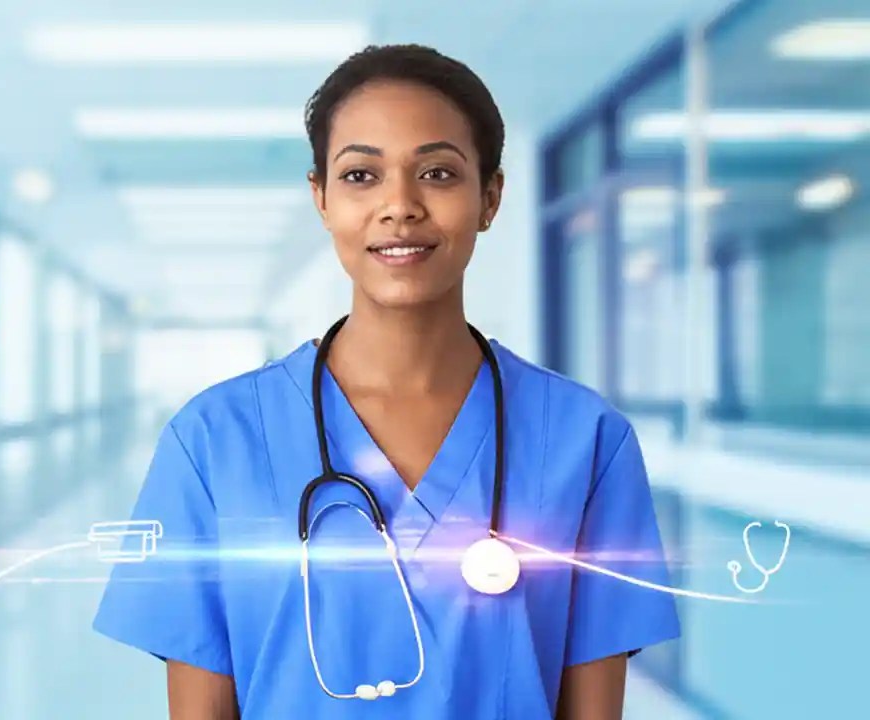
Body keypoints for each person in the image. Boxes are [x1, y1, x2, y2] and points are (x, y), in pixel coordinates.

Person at [92, 43, 680, 720]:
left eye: (437, 172)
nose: (400, 206)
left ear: (490, 197)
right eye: (361, 176)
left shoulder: (585, 441)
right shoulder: (213, 442)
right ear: (320, 198)